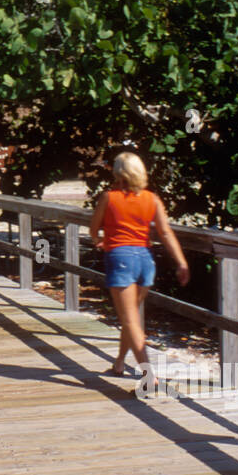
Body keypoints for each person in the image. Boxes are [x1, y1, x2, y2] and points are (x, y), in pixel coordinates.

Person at [88, 151, 190, 384]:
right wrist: (181, 262)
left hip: (120, 258)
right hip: (145, 259)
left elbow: (94, 229)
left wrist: (98, 241)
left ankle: (148, 374)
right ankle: (120, 362)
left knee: (130, 320)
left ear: (118, 172)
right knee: (131, 316)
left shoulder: (109, 197)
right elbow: (165, 232)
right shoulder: (152, 199)